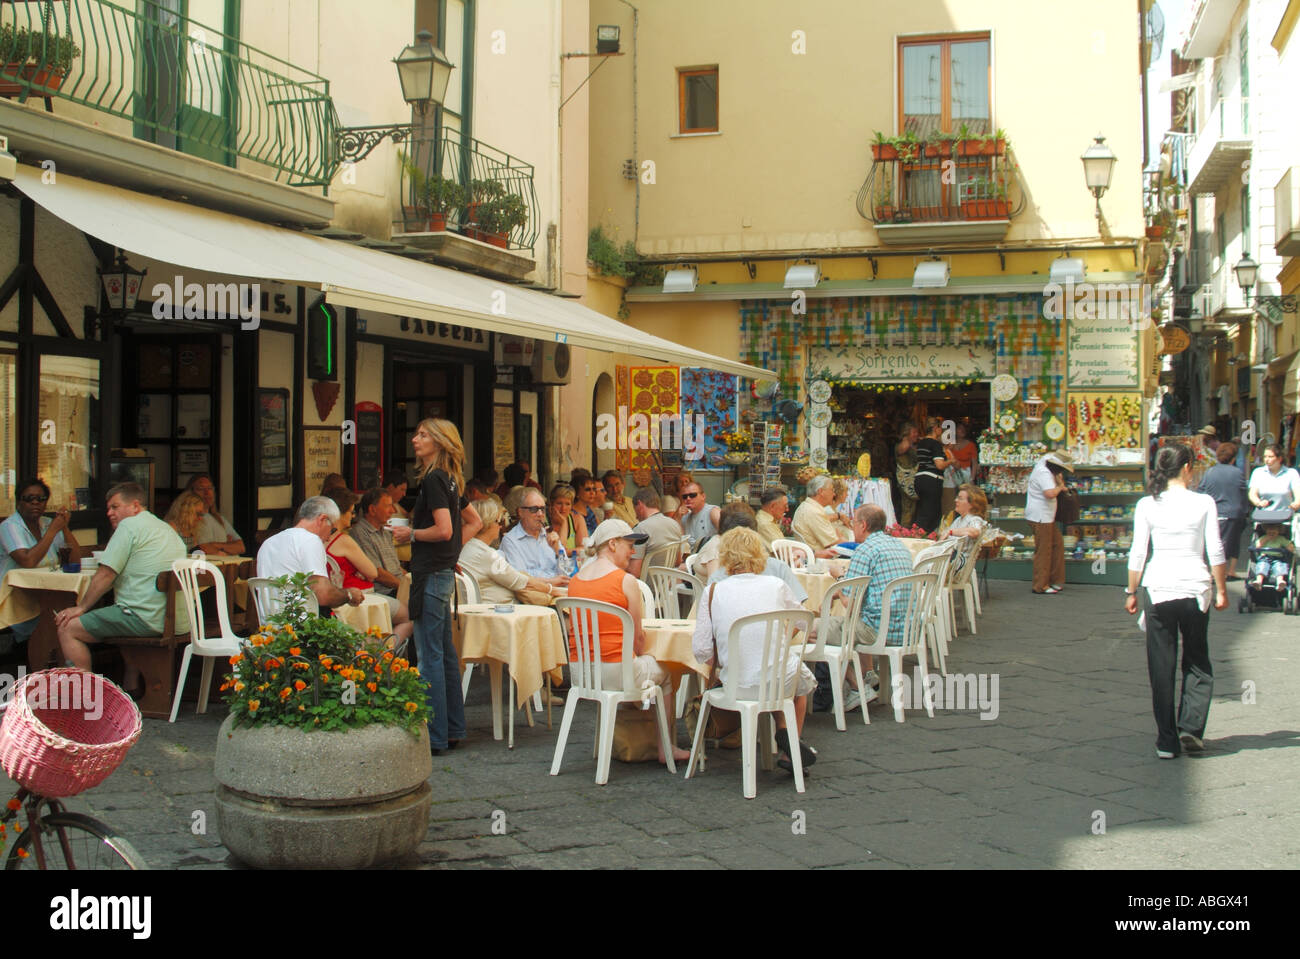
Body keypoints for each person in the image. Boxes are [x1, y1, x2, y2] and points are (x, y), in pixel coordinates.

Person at [1125, 443, 1228, 759]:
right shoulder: (1204, 503)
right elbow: (1216, 550)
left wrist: (1131, 591)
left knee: (1161, 665)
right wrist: (1222, 589)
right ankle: (1191, 727)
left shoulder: (1146, 505)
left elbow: (1139, 552)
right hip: (1196, 589)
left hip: (1158, 588)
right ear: (1187, 468)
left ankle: (1166, 740)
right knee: (1197, 658)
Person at [692, 527, 818, 772]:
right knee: (794, 685)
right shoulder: (776, 585)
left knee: (762, 674)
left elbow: (701, 651)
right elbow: (804, 621)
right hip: (778, 679)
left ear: (725, 556)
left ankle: (786, 740)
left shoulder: (713, 591)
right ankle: (788, 743)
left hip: (736, 683)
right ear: (759, 554)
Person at [566, 519, 690, 765]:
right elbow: (638, 637)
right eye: (629, 545)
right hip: (616, 672)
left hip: (581, 672)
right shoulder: (624, 581)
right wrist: (645, 656)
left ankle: (627, 734)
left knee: (642, 667)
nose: (633, 551)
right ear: (612, 544)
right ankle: (666, 747)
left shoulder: (575, 581)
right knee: (665, 670)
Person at [55, 483, 189, 697]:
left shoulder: (129, 526)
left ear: (135, 506)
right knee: (119, 610)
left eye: (115, 507)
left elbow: (106, 574)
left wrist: (81, 607)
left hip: (145, 618)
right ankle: (131, 685)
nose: (109, 513)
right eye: (108, 508)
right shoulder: (165, 528)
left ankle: (83, 696)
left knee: (68, 627)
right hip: (177, 620)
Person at [409, 418, 482, 756]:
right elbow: (475, 522)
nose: (415, 440)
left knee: (429, 656)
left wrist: (409, 534)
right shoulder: (450, 480)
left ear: (438, 442)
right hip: (442, 572)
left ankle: (435, 735)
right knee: (445, 653)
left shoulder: (434, 480)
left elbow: (443, 530)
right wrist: (451, 553)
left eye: (423, 435)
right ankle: (452, 728)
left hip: (430, 573)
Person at [819, 505, 916, 706]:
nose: (852, 527)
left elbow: (850, 604)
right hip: (908, 627)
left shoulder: (865, 550)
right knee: (853, 622)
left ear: (863, 525)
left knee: (813, 631)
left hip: (878, 630)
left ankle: (856, 688)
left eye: (854, 523)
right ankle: (868, 674)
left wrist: (839, 578)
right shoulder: (899, 546)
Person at [324, 488, 414, 647]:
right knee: (414, 614)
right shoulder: (349, 537)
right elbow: (374, 573)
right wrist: (404, 585)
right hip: (363, 595)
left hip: (347, 595)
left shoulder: (321, 538)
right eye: (351, 512)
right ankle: (385, 654)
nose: (353, 516)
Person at [1, 478, 83, 648]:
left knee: (69, 615)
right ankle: (45, 660)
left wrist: (64, 528)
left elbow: (76, 560)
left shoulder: (47, 523)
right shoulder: (9, 526)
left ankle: (60, 662)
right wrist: (53, 530)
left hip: (49, 591)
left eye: (41, 499)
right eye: (29, 499)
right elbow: (28, 561)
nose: (35, 503)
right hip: (18, 597)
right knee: (56, 619)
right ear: (18, 502)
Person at [257, 496, 367, 611]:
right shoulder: (310, 540)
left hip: (270, 622)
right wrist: (348, 594)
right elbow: (323, 595)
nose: (329, 538)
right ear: (322, 519)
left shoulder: (269, 543)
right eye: (332, 530)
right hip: (301, 623)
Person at [461, 499, 569, 603]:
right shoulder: (486, 553)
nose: (501, 526)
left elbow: (567, 571)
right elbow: (520, 581)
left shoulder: (471, 547)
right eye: (499, 521)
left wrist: (557, 550)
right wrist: (552, 589)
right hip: (500, 612)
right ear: (488, 524)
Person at [702, 507, 809, 605]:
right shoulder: (778, 568)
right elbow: (799, 608)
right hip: (776, 624)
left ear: (725, 540)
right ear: (757, 536)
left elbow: (709, 614)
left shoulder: (718, 577)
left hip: (732, 625)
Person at [349, 487, 413, 600]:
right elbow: (378, 574)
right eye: (388, 506)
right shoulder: (360, 532)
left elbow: (396, 568)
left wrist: (410, 580)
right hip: (384, 592)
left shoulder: (385, 531)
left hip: (397, 587)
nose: (393, 510)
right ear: (372, 510)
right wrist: (405, 587)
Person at [1197, 441, 1249, 579]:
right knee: (1234, 542)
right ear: (1233, 458)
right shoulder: (1238, 473)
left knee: (1217, 543)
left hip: (1216, 512)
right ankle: (1230, 570)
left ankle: (1216, 572)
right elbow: (1243, 492)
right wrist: (1245, 511)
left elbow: (1201, 491)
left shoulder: (1210, 472)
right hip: (1235, 513)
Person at [1025, 450, 1072, 594]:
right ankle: (1040, 585)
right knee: (1044, 551)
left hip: (1046, 517)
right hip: (1041, 517)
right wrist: (1060, 487)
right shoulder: (1044, 473)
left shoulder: (1045, 464)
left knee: (1057, 545)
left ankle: (1055, 580)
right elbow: (1049, 494)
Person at [501, 488, 566, 579]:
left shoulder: (550, 535)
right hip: (534, 591)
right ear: (520, 512)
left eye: (542, 509)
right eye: (534, 509)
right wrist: (552, 581)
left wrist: (558, 551)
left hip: (560, 588)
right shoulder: (511, 540)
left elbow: (566, 571)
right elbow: (521, 579)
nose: (540, 514)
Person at [628, 487, 684, 578]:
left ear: (639, 504)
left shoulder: (640, 530)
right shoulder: (675, 525)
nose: (636, 516)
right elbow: (677, 562)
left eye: (635, 510)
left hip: (647, 588)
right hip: (668, 586)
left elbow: (634, 572)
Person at [186, 474, 245, 555]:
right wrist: (227, 545)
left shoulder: (219, 519)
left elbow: (241, 547)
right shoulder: (188, 518)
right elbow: (202, 549)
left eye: (209, 488)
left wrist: (214, 545)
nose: (207, 493)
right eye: (201, 489)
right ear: (191, 492)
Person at [912, 417, 952, 534]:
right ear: (935, 428)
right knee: (931, 512)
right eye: (940, 428)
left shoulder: (921, 443)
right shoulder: (935, 444)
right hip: (932, 480)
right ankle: (921, 536)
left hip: (919, 478)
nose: (941, 431)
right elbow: (939, 465)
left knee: (923, 509)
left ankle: (918, 533)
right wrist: (951, 461)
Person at [940, 483, 989, 575]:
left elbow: (974, 531)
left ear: (971, 504)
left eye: (960, 498)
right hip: (951, 563)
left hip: (959, 566)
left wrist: (951, 532)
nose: (956, 500)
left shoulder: (974, 519)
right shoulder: (958, 520)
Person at [791, 475, 844, 558]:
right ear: (821, 491)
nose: (834, 494)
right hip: (819, 560)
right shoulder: (814, 512)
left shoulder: (807, 506)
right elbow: (835, 542)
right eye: (832, 490)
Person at [1248, 443, 1300, 513]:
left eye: (1270, 457)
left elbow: (1298, 494)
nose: (1267, 459)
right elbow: (1252, 494)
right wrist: (1258, 502)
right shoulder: (1258, 472)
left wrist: (1296, 503)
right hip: (1263, 516)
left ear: (1279, 458)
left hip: (1285, 516)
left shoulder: (1291, 473)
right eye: (1265, 456)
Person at [942, 422, 979, 515]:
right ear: (954, 431)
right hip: (950, 474)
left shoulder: (971, 445)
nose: (962, 430)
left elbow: (974, 463)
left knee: (966, 499)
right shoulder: (949, 445)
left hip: (966, 474)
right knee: (950, 499)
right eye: (959, 428)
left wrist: (972, 478)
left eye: (964, 428)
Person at [1249, 522, 1294, 591]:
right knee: (1262, 566)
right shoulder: (1263, 538)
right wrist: (1266, 538)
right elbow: (1257, 546)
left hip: (1278, 558)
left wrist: (1290, 548)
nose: (1271, 533)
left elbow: (1290, 546)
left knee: (1279, 566)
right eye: (1269, 531)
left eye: (1274, 531)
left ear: (1278, 531)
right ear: (1266, 531)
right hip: (1265, 557)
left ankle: (1280, 581)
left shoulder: (1281, 539)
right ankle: (1259, 581)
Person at [547, 483, 587, 555]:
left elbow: (584, 548)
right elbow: (561, 549)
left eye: (567, 504)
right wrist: (564, 523)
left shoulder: (577, 519)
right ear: (551, 504)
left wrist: (564, 522)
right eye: (559, 503)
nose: (563, 508)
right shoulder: (544, 520)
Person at [895, 423, 920, 527]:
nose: (917, 434)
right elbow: (904, 447)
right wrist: (908, 439)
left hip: (914, 481)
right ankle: (904, 531)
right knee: (908, 509)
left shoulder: (913, 445)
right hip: (906, 482)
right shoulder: (903, 445)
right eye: (914, 432)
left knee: (913, 509)